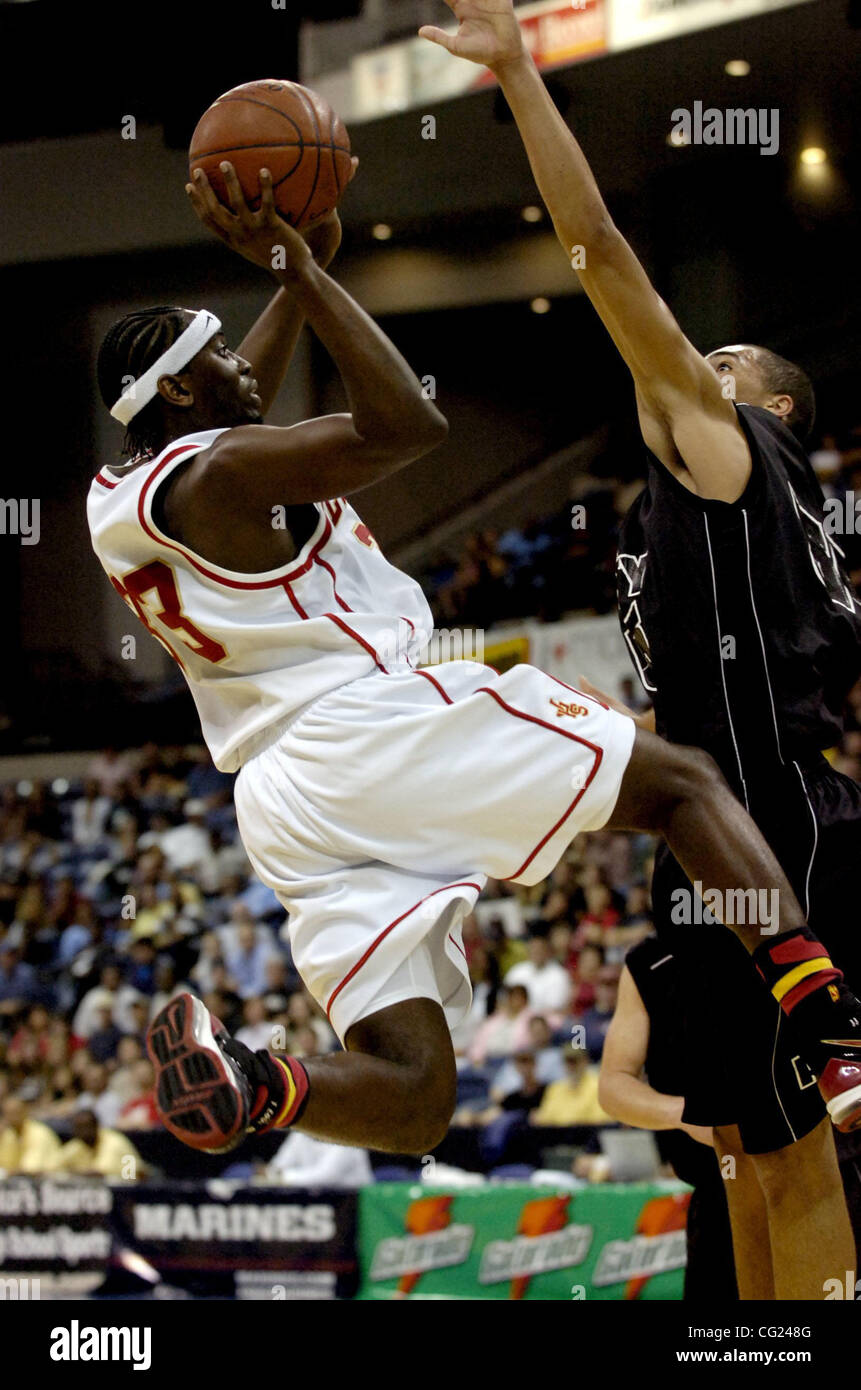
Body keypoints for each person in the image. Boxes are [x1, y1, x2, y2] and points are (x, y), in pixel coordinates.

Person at [87, 129, 861, 1236]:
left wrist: (295, 274)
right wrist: (301, 268)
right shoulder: (225, 468)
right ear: (177, 393)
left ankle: (258, 1084)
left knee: (415, 1098)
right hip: (364, 724)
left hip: (282, 800)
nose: (247, 360)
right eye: (219, 356)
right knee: (682, 783)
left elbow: (231, 398)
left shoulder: (128, 490)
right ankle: (830, 1021)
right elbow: (410, 423)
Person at [419, 0, 861, 1299]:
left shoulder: (735, 447)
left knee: (803, 1151)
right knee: (746, 1148)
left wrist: (516, 77)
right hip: (711, 824)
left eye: (712, 358)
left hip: (772, 812)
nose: (683, 364)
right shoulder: (696, 493)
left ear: (768, 407)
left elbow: (598, 249)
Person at [598, 939, 738, 1301]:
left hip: (815, 1180)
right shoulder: (649, 962)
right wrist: (688, 1115)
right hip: (716, 1198)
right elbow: (613, 1086)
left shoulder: (794, 934)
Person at [0, 1097, 61, 1174]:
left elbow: (30, 1169)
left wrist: (6, 1172)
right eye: (8, 1114)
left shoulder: (38, 1133)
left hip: (53, 1177)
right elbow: (5, 1163)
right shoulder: (10, 1134)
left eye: (16, 1112)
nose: (12, 1117)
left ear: (25, 1112)